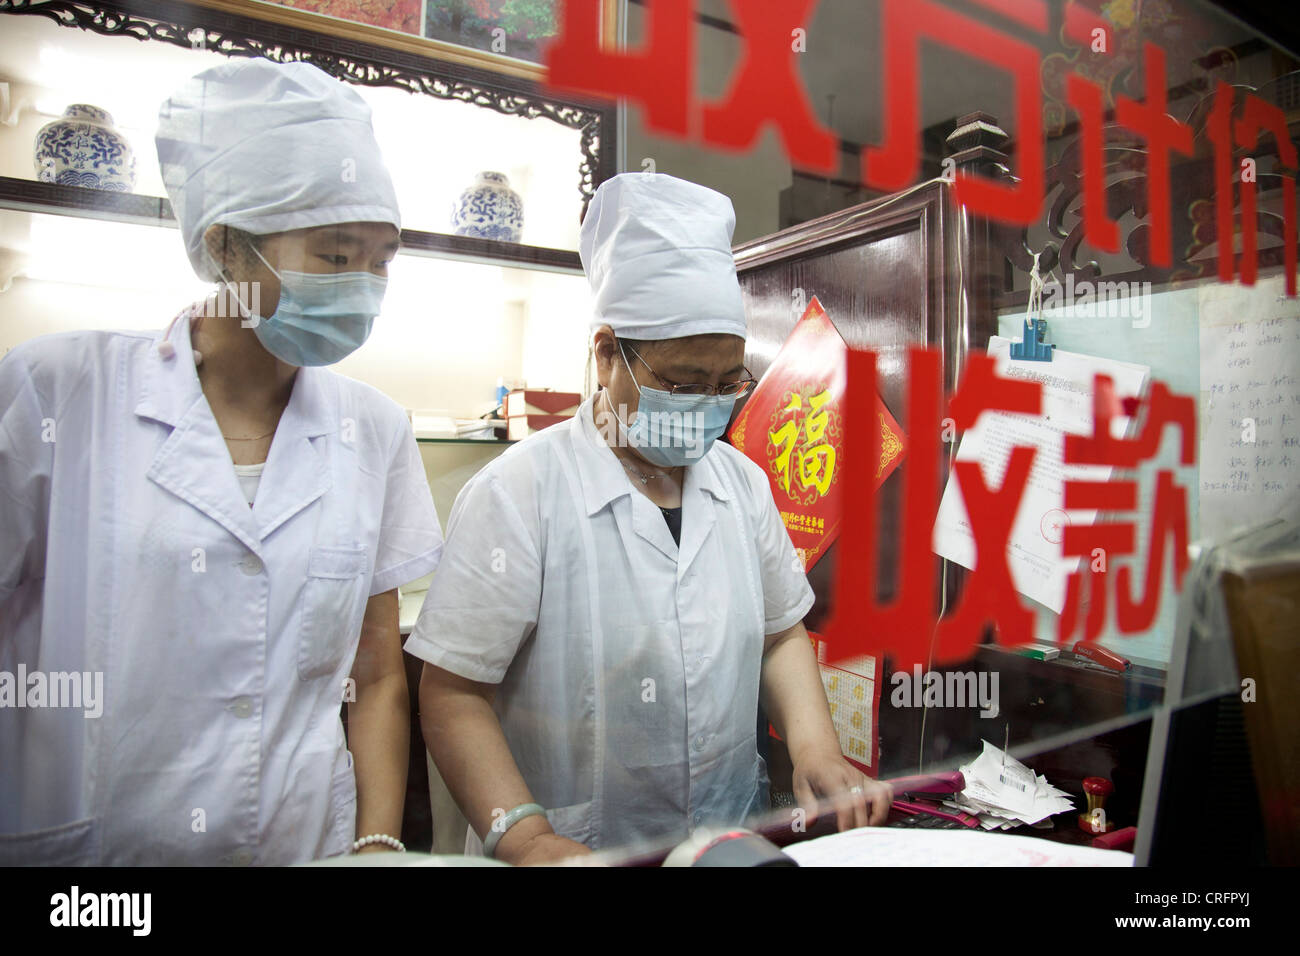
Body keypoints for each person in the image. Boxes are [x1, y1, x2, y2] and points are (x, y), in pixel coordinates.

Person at [0, 59, 443, 865]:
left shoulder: (372, 429)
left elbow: (376, 676)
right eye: (336, 256)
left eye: (382, 260)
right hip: (97, 856)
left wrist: (378, 841)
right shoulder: (58, 391)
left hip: (298, 842)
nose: (366, 287)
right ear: (227, 249)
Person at [407, 172, 892, 865]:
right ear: (608, 355)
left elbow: (781, 633)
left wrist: (815, 750)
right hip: (569, 843)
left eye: (727, 383)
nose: (709, 403)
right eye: (685, 383)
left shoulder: (743, 487)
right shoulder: (519, 494)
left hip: (720, 835)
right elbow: (453, 695)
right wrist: (528, 836)